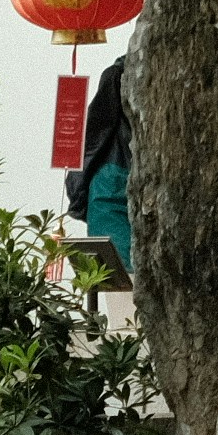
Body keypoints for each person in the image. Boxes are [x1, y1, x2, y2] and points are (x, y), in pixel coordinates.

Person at [65, 31, 136, 281]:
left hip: (119, 180)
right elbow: (95, 135)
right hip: (112, 185)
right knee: (120, 279)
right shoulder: (117, 75)